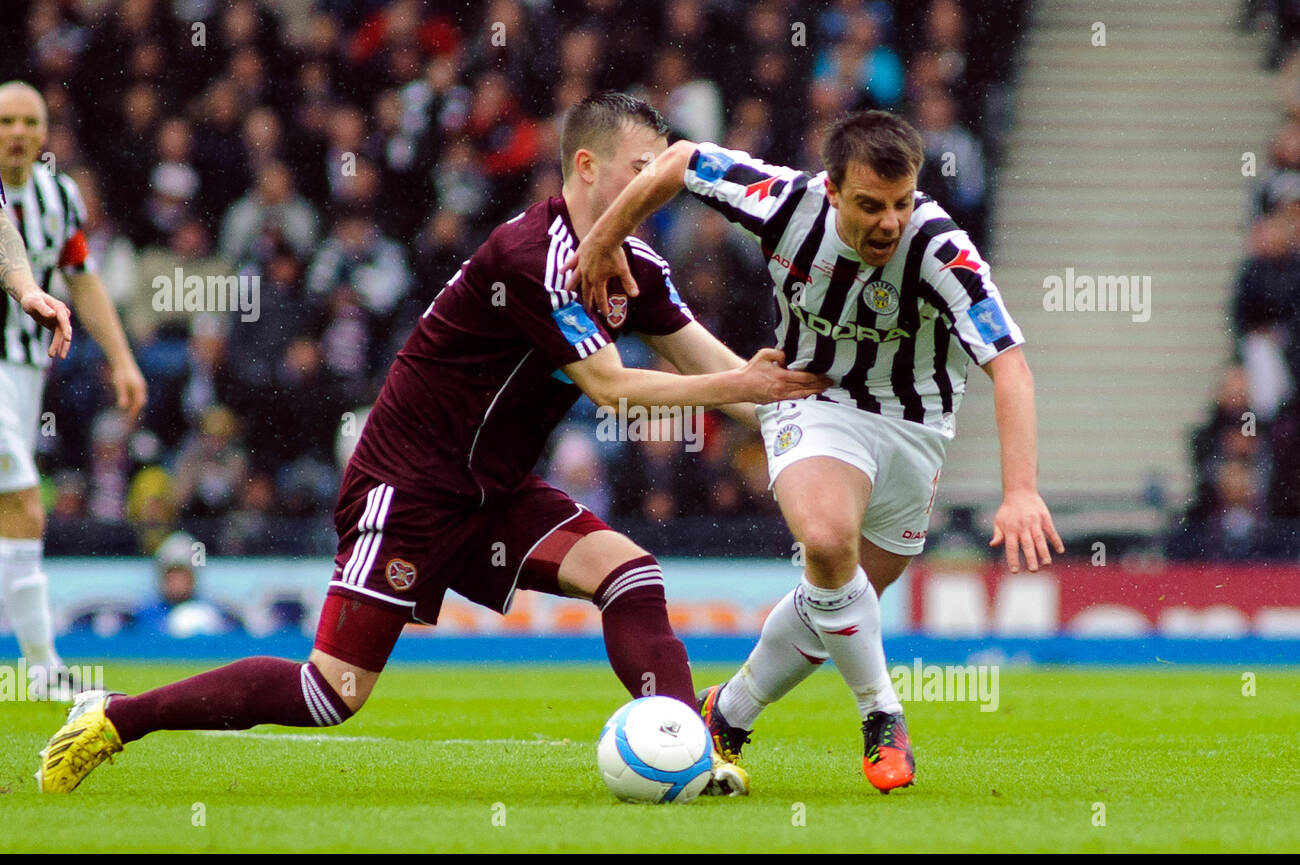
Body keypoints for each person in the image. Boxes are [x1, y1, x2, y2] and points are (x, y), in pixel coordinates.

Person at [35, 92, 825, 794]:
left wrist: (814, 429)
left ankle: (688, 751)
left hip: (496, 490)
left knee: (630, 576)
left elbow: (719, 369)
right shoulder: (533, 257)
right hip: (409, 485)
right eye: (640, 168)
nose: (656, 186)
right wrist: (740, 388)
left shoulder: (637, 268)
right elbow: (616, 389)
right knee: (328, 694)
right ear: (586, 166)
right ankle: (114, 718)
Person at [565, 109, 1063, 793]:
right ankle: (881, 716)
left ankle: (727, 712)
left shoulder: (940, 248)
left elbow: (1010, 366)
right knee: (828, 545)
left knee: (833, 599)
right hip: (812, 400)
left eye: (899, 203)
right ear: (832, 191)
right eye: (869, 205)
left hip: (917, 431)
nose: (889, 222)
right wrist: (604, 238)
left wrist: (1021, 490)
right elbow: (678, 160)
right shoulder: (784, 202)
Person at [0, 81, 121, 701]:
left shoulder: (58, 197)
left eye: (28, 122)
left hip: (25, 374)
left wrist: (123, 359)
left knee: (11, 509)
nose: (17, 132)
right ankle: (43, 669)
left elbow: (83, 278)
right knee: (23, 501)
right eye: (5, 121)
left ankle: (41, 668)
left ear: (45, 133)